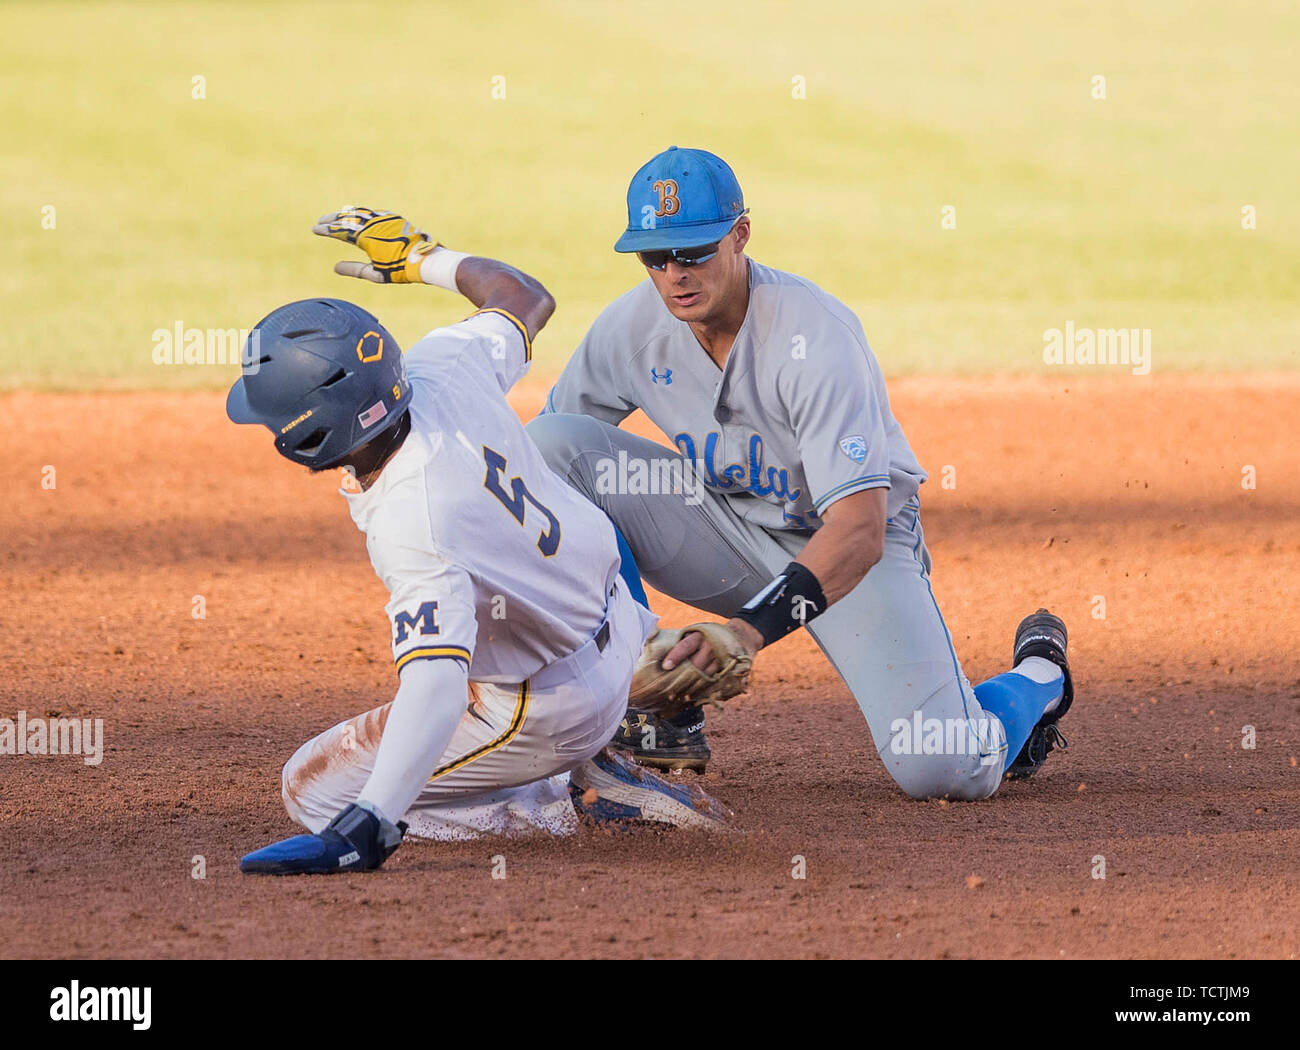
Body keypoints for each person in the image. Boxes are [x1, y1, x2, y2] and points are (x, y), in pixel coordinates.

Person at [527, 149, 1074, 799]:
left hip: (849, 550)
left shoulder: (814, 339)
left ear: (740, 235)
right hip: (721, 529)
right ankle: (648, 694)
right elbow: (539, 478)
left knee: (944, 768)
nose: (675, 274)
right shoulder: (629, 330)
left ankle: (1041, 676)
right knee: (548, 447)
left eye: (695, 251)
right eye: (655, 257)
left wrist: (746, 634)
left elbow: (861, 529)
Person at [227, 205, 729, 875]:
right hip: (622, 628)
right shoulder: (442, 366)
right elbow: (525, 296)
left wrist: (370, 823)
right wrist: (424, 259)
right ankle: (596, 757)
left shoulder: (414, 519)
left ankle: (562, 800)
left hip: (555, 707)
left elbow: (435, 681)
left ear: (312, 435)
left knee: (313, 790)